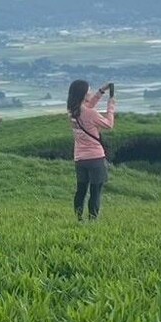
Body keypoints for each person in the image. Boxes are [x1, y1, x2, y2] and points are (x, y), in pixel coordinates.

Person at [67, 78, 115, 222]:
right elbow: (109, 125)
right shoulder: (90, 113)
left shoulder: (71, 111)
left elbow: (89, 104)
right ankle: (93, 221)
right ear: (83, 94)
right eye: (89, 91)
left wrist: (102, 91)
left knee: (81, 190)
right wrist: (110, 107)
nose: (90, 93)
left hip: (79, 158)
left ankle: (78, 219)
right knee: (95, 192)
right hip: (95, 158)